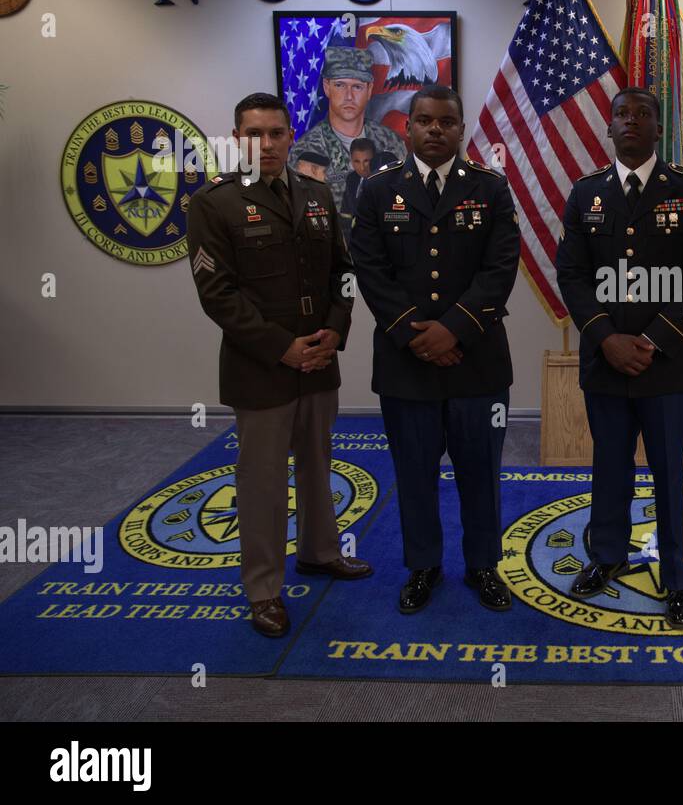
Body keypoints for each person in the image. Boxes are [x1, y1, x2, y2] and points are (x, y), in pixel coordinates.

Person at [186, 92, 371, 638]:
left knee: (317, 463)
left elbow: (343, 271)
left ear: (291, 137)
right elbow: (218, 295)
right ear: (236, 138)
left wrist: (335, 329)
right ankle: (264, 589)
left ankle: (319, 552)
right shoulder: (214, 203)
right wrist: (281, 347)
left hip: (319, 360)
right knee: (263, 481)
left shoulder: (316, 194)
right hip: (261, 367)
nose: (265, 144)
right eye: (253, 134)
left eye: (275, 133)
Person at [555, 86, 683, 629]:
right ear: (609, 126)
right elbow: (572, 275)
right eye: (622, 113)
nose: (631, 120)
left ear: (659, 127)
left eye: (643, 113)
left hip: (667, 364)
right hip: (604, 360)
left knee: (670, 473)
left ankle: (678, 576)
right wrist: (605, 337)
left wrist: (653, 340)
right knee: (610, 465)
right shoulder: (586, 193)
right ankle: (607, 555)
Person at [349, 84, 520, 613]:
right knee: (414, 473)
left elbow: (500, 268)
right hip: (407, 363)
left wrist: (454, 330)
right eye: (425, 121)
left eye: (446, 122)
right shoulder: (377, 190)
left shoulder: (491, 188)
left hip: (477, 362)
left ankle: (483, 565)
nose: (435, 130)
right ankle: (423, 566)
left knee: (481, 473)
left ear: (461, 129)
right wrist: (416, 334)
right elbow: (370, 270)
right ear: (408, 128)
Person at [289, 46, 406, 213]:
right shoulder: (306, 150)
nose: (349, 96)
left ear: (369, 90)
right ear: (326, 87)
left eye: (357, 87)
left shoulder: (391, 143)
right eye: (340, 85)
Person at [342, 137, 375, 233]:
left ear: (375, 159)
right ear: (351, 161)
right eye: (357, 161)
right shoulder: (351, 179)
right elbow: (346, 211)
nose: (362, 168)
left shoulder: (382, 181)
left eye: (366, 161)